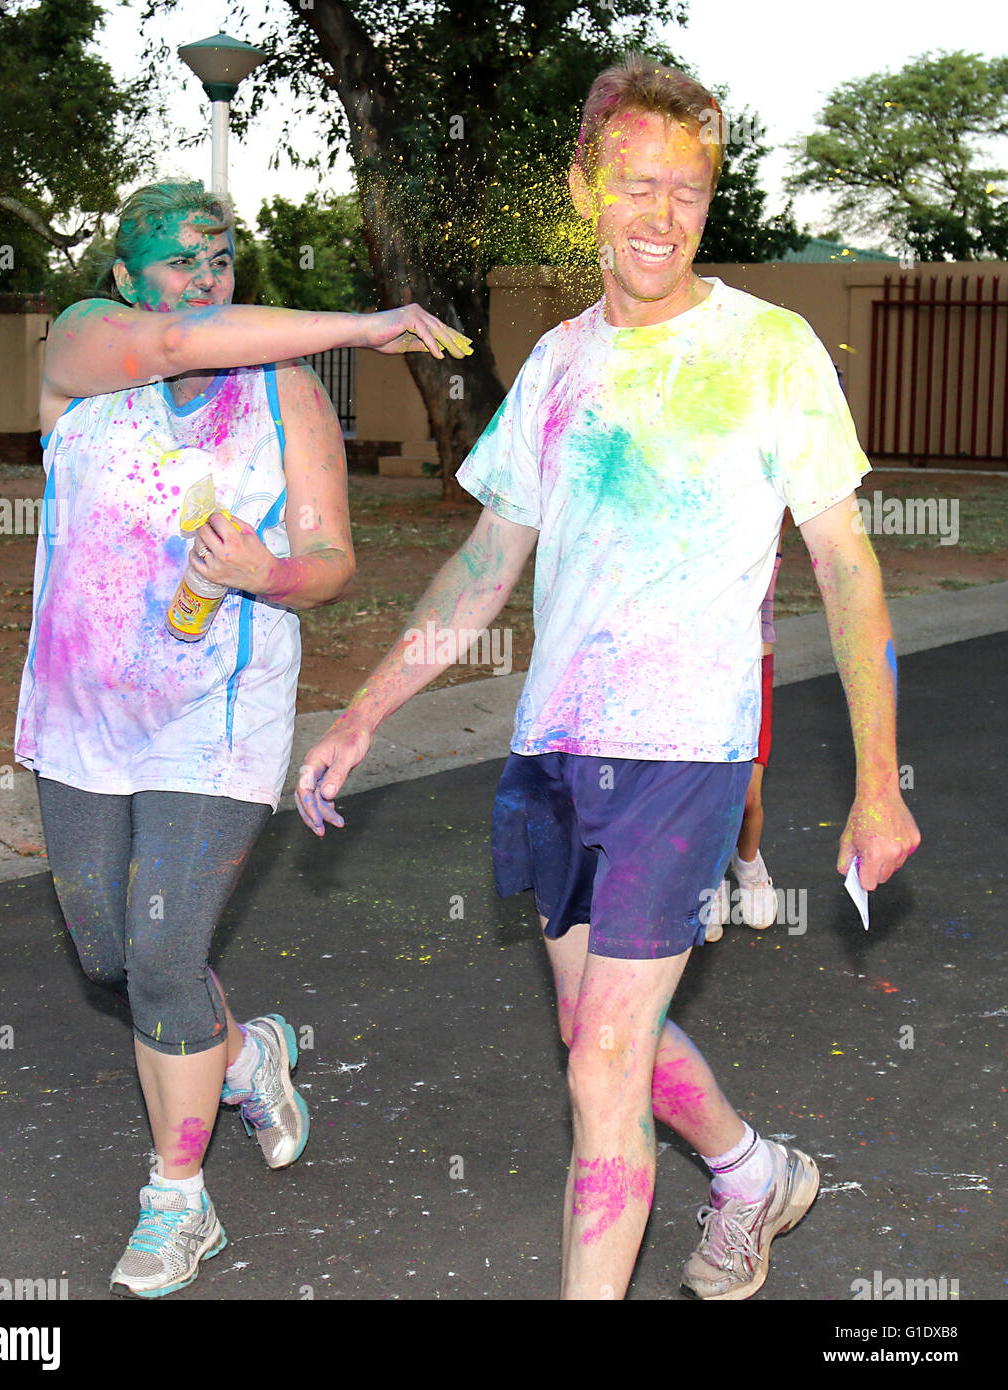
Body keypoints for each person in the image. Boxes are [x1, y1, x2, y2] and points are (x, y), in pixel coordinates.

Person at [295, 57, 919, 1301]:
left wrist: (875, 782)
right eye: (636, 183)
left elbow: (847, 571)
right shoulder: (558, 367)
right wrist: (361, 712)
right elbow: (483, 561)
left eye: (687, 191)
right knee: (599, 1042)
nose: (661, 214)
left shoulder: (771, 350)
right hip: (554, 753)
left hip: (682, 756)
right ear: (583, 187)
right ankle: (750, 1172)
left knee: (599, 1074)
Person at [15, 180, 471, 1298]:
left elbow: (330, 560)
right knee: (110, 954)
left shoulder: (287, 397)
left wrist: (263, 573)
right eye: (177, 261)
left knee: (164, 955)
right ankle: (245, 1050)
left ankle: (178, 1200)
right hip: (80, 718)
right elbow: (175, 340)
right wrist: (373, 323)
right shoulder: (82, 352)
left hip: (214, 719)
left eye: (220, 262)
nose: (203, 281)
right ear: (122, 279)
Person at [705, 509, 791, 939]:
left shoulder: (766, 522)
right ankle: (710, 878)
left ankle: (749, 866)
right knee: (708, 790)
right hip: (703, 667)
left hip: (755, 666)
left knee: (748, 794)